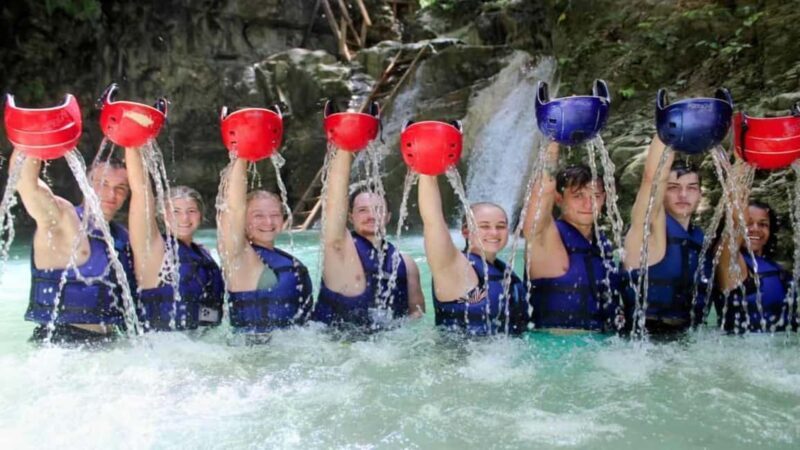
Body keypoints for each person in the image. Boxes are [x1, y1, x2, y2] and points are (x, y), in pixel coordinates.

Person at [13, 149, 136, 343]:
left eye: (120, 187)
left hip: (109, 343)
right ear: (85, 184)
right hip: (62, 343)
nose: (111, 194)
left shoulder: (122, 237)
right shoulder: (62, 218)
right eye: (102, 184)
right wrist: (32, 136)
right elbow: (26, 183)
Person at [314, 149, 424, 328]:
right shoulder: (340, 249)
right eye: (362, 210)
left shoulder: (406, 263)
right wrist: (345, 149)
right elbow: (334, 207)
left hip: (384, 347)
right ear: (350, 217)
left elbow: (417, 312)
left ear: (388, 217)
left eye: (378, 210)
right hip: (340, 345)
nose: (371, 216)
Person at [524, 142, 621, 332]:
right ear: (559, 199)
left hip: (602, 348)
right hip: (556, 349)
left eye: (595, 196)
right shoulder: (545, 237)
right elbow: (542, 189)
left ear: (604, 199)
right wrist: (553, 138)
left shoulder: (602, 246)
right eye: (578, 196)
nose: (588, 203)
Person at [124, 147, 223, 332]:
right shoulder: (152, 249)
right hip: (161, 349)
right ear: (164, 215)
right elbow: (140, 190)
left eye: (191, 211)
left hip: (200, 346)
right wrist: (132, 143)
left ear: (201, 216)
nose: (184, 218)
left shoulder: (203, 255)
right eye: (175, 211)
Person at [417, 172, 527, 336]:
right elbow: (433, 220)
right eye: (484, 226)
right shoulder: (454, 267)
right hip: (461, 360)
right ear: (466, 231)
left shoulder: (504, 272)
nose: (494, 232)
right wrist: (427, 173)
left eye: (501, 226)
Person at [217, 157, 312, 334]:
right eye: (258, 215)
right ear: (243, 221)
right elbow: (232, 209)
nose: (268, 221)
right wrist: (241, 155)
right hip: (253, 355)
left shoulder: (285, 258)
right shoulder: (238, 257)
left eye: (275, 214)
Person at [622, 135, 706, 333]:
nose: (683, 195)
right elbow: (651, 178)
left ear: (700, 194)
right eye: (673, 188)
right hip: (643, 340)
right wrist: (666, 130)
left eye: (691, 188)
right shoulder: (648, 231)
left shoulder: (701, 239)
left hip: (686, 341)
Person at [716, 197, 796, 333]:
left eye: (763, 224)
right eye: (748, 223)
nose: (755, 229)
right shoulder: (730, 261)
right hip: (742, 350)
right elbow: (733, 227)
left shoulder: (778, 270)